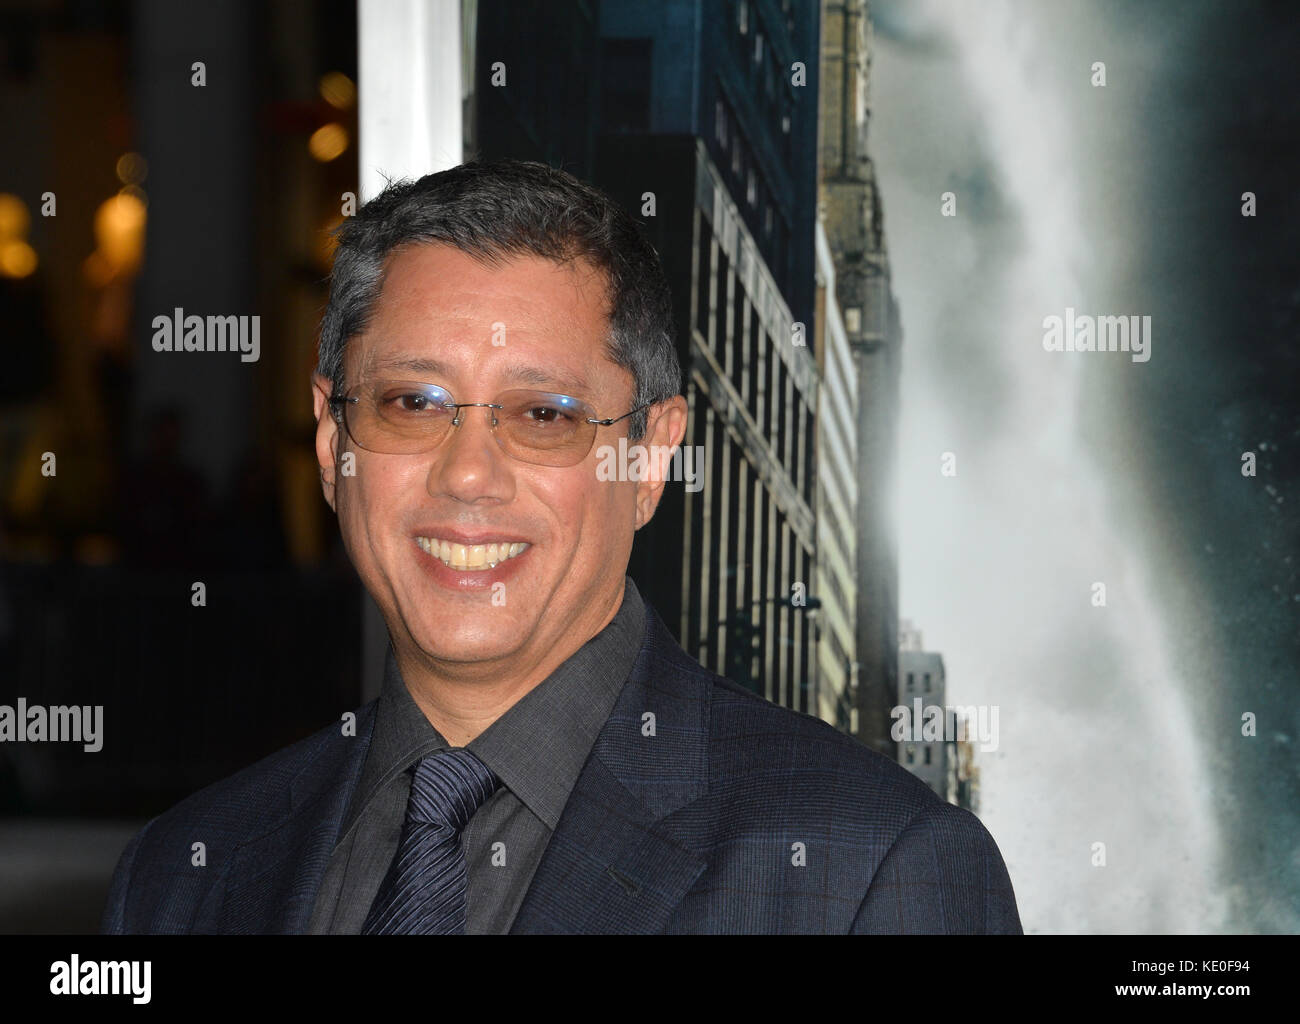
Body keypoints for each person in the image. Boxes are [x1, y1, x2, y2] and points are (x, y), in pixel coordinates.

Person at [101, 159, 1022, 934]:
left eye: (544, 415)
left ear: (652, 456)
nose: (468, 476)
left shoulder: (867, 874)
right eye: (413, 404)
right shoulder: (184, 877)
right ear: (334, 440)